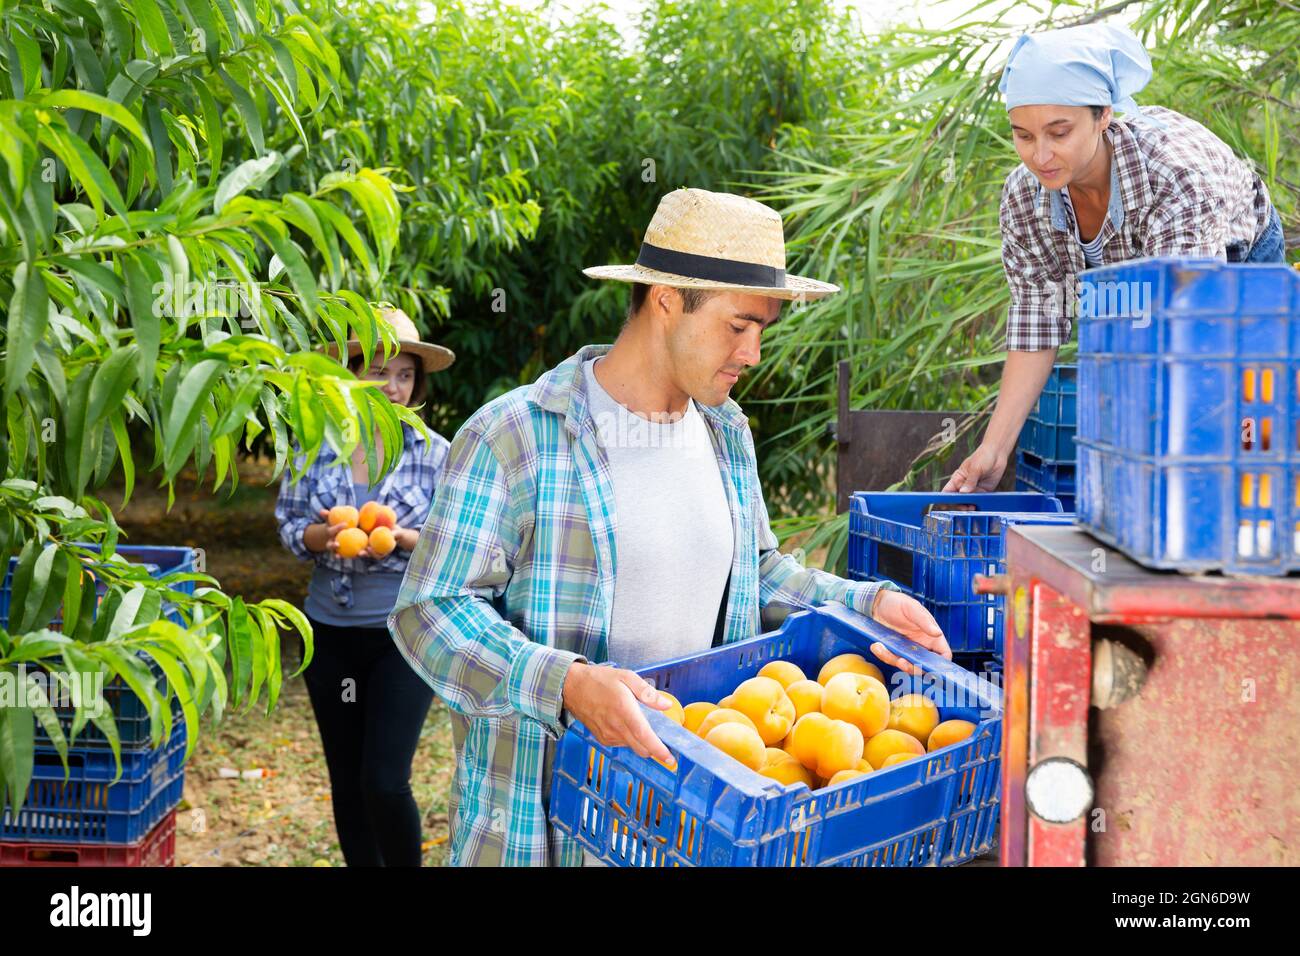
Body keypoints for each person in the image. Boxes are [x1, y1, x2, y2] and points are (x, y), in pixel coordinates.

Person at [389, 187, 953, 867]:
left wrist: (867, 604)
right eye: (737, 325)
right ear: (664, 300)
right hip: (544, 828)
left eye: (763, 330)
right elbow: (431, 610)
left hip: (690, 823)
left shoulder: (725, 431)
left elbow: (759, 571)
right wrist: (566, 684)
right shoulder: (515, 436)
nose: (752, 352)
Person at [946, 23, 1287, 494]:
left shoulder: (1174, 181)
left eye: (1058, 132)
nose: (1040, 155)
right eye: (1023, 136)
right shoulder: (1025, 198)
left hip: (1239, 256)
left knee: (1253, 433)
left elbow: (1190, 327)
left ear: (1104, 115)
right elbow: (1037, 322)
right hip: (1134, 273)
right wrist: (995, 448)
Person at [275, 307, 455, 866]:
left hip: (403, 635)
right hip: (329, 634)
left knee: (384, 779)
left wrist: (401, 539)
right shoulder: (313, 447)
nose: (394, 387)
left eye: (404, 375)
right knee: (348, 781)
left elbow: (456, 544)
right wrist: (322, 535)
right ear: (351, 377)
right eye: (380, 371)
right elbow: (289, 526)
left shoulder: (436, 453)